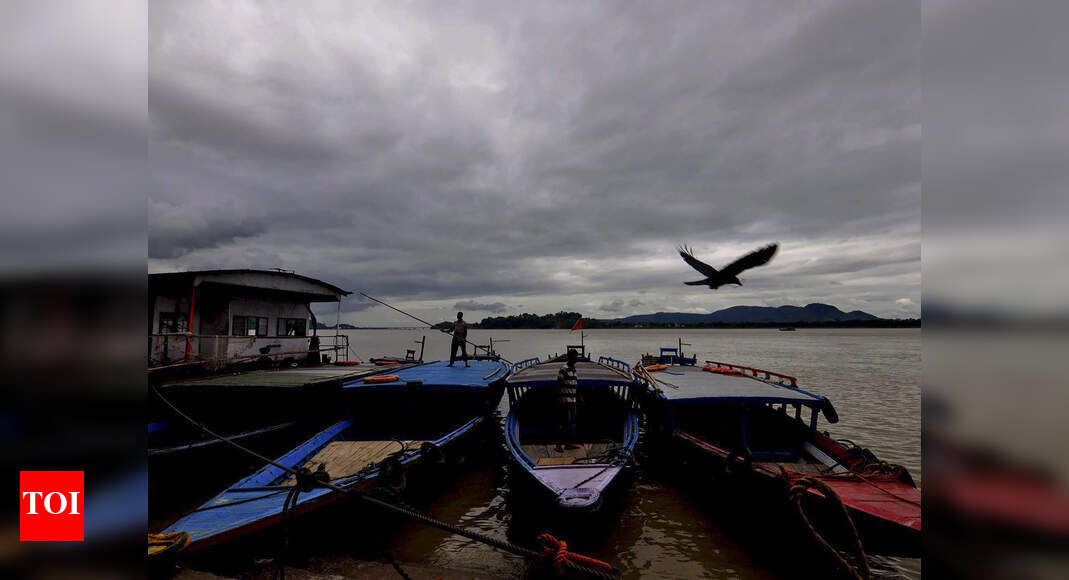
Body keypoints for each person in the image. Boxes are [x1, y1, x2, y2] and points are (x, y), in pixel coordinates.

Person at [555, 349, 580, 452]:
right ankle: (558, 445)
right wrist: (560, 398)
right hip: (565, 401)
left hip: (572, 400)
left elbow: (574, 384)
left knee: (570, 423)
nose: (577, 358)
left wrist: (579, 397)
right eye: (576, 356)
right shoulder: (564, 369)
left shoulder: (573, 369)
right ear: (571, 357)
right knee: (564, 423)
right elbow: (558, 384)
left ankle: (568, 444)